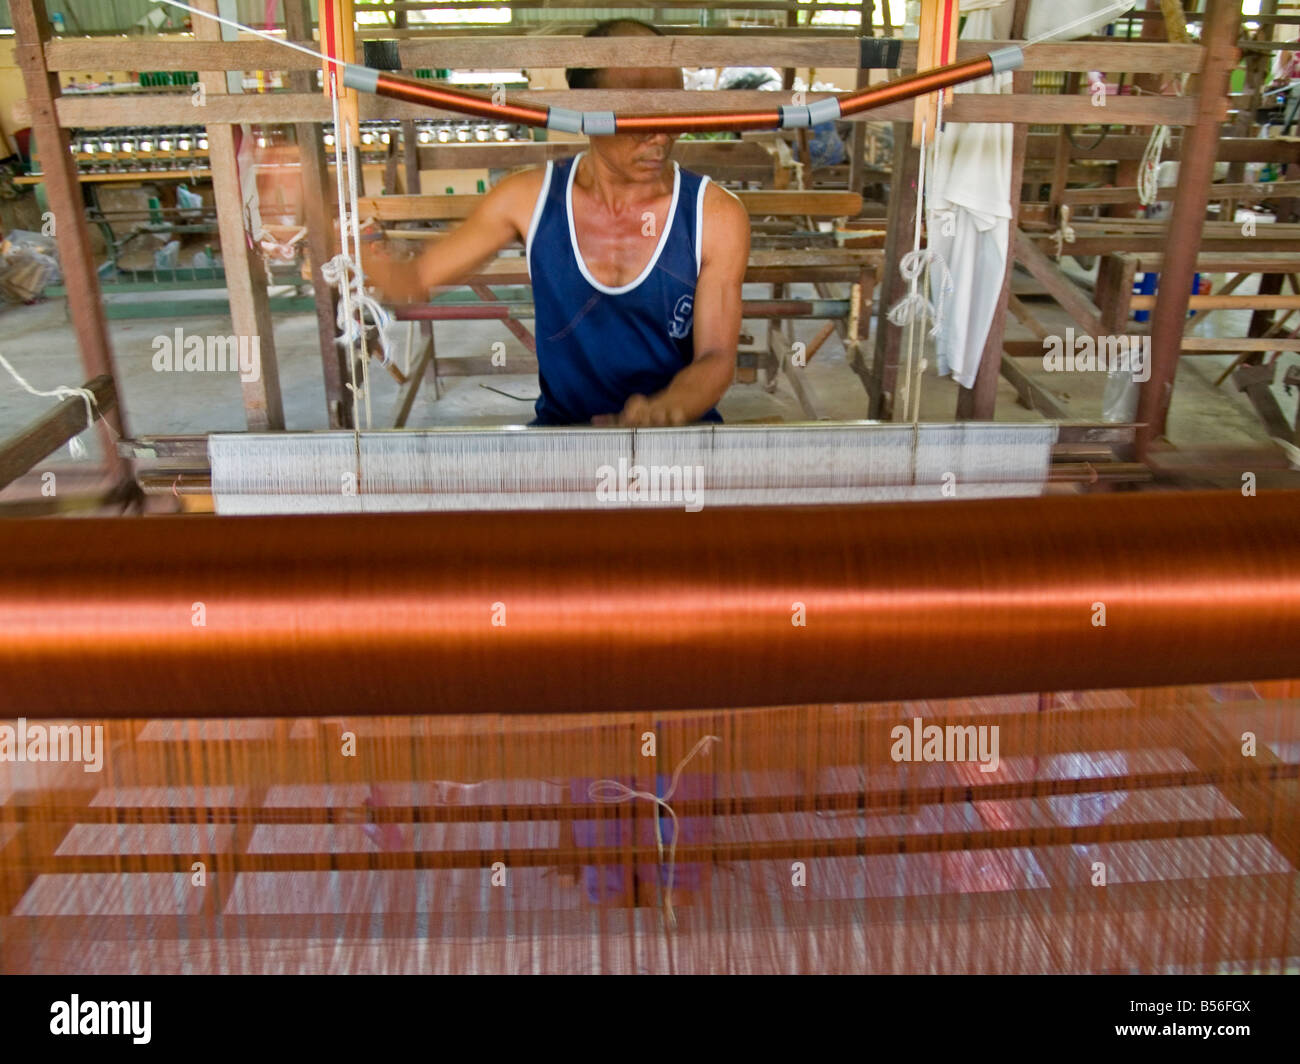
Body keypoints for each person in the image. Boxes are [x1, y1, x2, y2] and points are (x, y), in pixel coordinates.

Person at [365, 18, 750, 427]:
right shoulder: (527, 200)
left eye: (671, 112)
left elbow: (717, 357)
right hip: (564, 438)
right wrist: (347, 247)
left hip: (682, 440)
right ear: (585, 110)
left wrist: (664, 410)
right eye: (638, 114)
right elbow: (414, 279)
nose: (659, 135)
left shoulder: (715, 215)